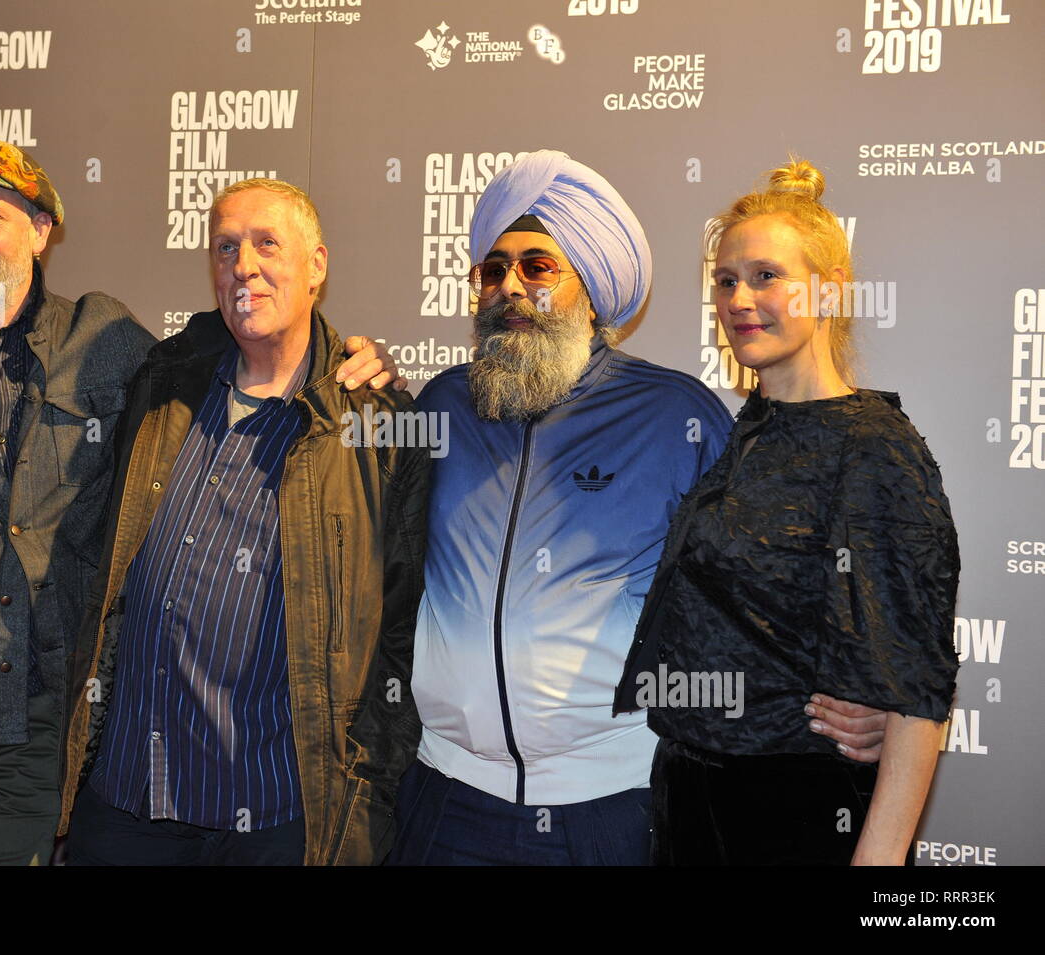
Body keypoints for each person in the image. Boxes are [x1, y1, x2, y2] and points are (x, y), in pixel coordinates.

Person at [0, 141, 400, 866]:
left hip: (28, 728)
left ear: (41, 230)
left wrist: (348, 359)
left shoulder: (105, 344)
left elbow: (237, 344)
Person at [388, 149, 882, 866]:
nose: (509, 287)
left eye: (537, 267)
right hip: (443, 799)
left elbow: (765, 584)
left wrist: (853, 692)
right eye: (492, 270)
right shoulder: (440, 407)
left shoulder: (674, 415)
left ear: (592, 292)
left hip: (609, 809)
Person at [59, 178, 429, 866]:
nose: (244, 267)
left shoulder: (376, 429)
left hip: (274, 817)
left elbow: (403, 629)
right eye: (226, 247)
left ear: (317, 265)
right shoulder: (164, 383)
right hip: (126, 802)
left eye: (267, 244)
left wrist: (365, 779)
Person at [616, 159, 960, 866]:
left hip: (792, 809)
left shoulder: (873, 444)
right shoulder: (751, 428)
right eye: (725, 280)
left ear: (828, 290)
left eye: (766, 276)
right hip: (691, 795)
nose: (739, 298)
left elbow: (917, 683)